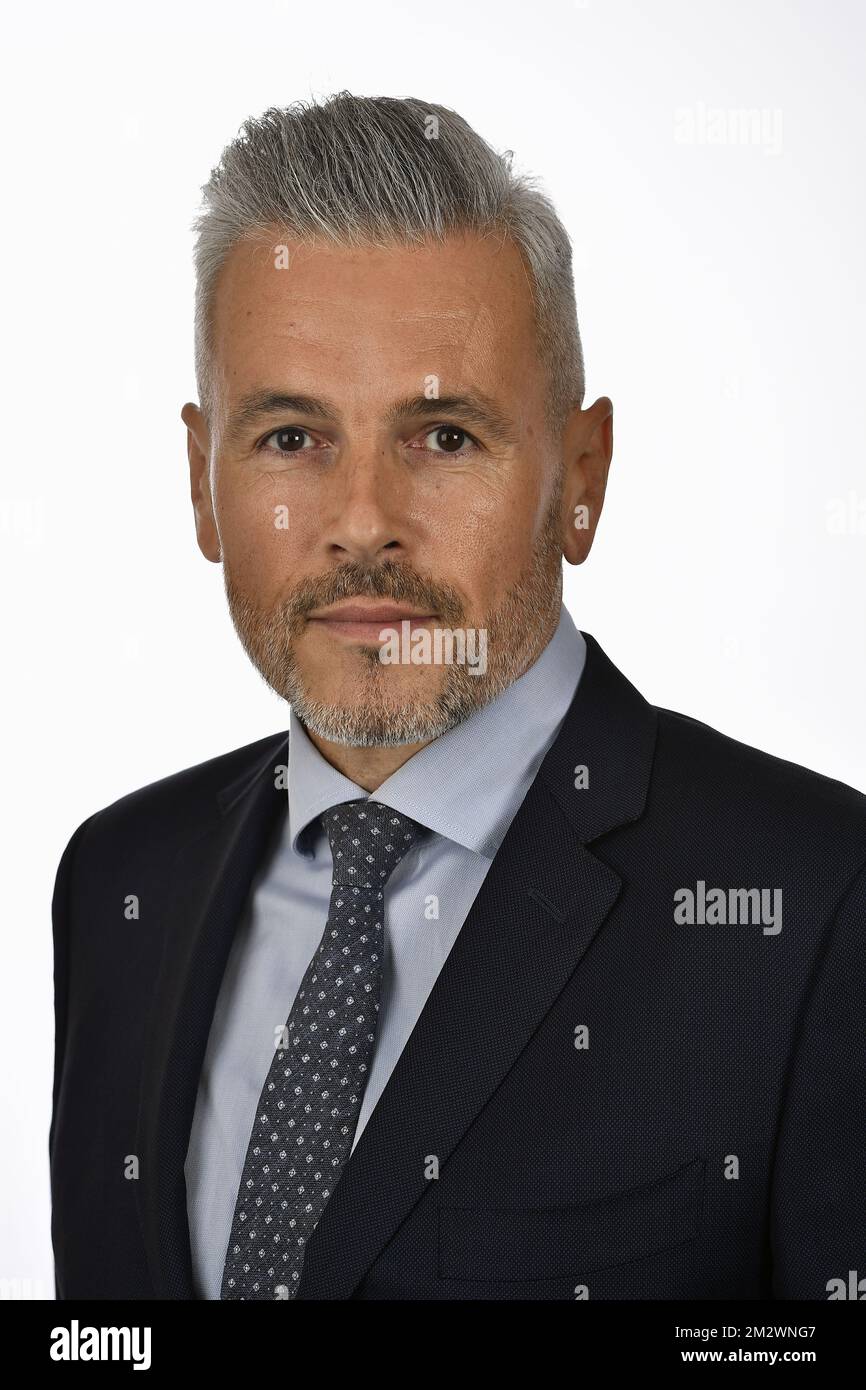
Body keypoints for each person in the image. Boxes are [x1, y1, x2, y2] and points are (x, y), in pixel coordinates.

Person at [49, 92, 866, 1300]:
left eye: (440, 437)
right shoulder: (120, 879)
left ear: (578, 478)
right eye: (288, 437)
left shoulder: (818, 905)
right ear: (200, 483)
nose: (361, 521)